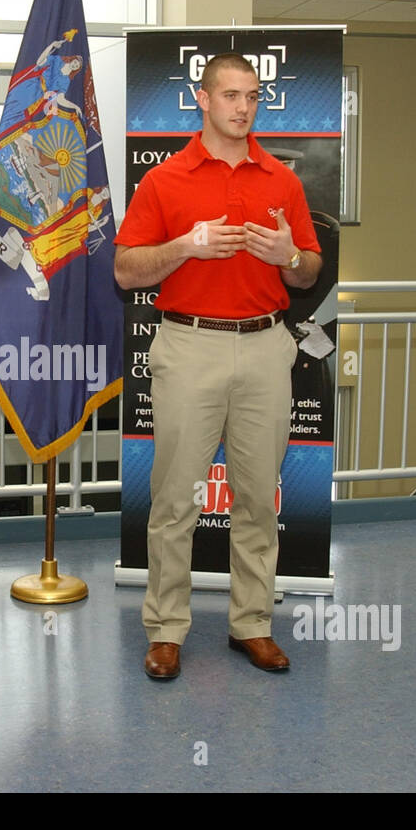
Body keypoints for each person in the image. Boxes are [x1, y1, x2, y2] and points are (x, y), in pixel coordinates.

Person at [113, 54, 323, 680]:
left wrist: (292, 258)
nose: (242, 107)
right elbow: (126, 271)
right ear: (201, 100)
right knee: (175, 499)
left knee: (258, 499)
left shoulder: (280, 180)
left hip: (264, 347)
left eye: (252, 96)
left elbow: (309, 271)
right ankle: (167, 629)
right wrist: (185, 246)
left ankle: (252, 624)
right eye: (230, 95)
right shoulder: (165, 181)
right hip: (190, 346)